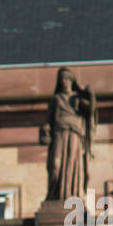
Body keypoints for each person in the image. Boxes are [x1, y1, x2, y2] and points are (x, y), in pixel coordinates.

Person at [41, 67, 96, 203]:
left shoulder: (77, 98)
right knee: (55, 166)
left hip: (74, 135)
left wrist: (91, 95)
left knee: (72, 165)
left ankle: (71, 195)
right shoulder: (56, 99)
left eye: (67, 78)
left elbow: (90, 110)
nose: (64, 81)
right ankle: (54, 194)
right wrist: (46, 128)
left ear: (72, 81)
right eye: (62, 79)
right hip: (59, 134)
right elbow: (49, 120)